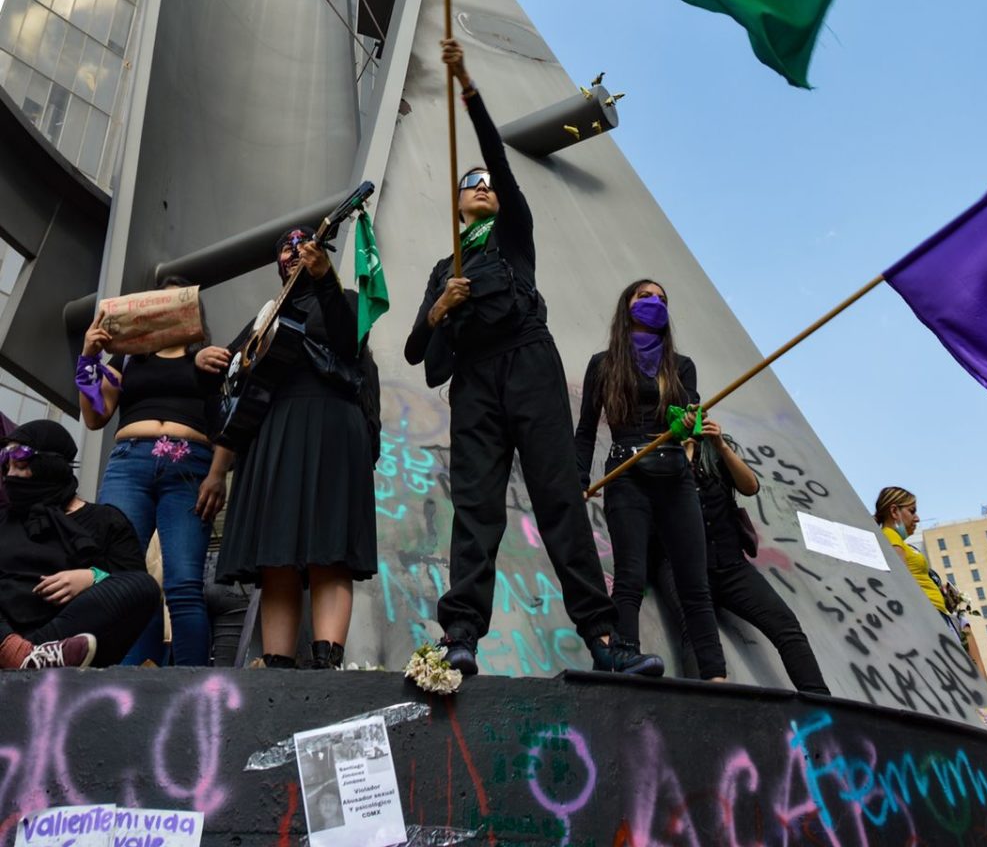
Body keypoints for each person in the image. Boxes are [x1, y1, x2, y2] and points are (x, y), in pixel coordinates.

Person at [404, 39, 660, 678]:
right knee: (476, 507)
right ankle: (460, 636)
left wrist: (470, 91)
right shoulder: (445, 267)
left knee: (558, 499)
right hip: (475, 382)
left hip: (529, 363)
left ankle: (604, 641)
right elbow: (417, 351)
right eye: (473, 185)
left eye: (490, 184)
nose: (485, 187)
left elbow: (498, 160)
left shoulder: (513, 235)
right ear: (458, 203)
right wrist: (440, 310)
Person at [215, 227, 380, 670]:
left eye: (302, 244)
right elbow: (232, 390)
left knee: (329, 551)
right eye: (284, 248)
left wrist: (326, 279)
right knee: (277, 557)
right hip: (273, 434)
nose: (292, 251)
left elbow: (349, 342)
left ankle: (328, 665)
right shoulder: (264, 317)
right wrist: (204, 363)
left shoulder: (342, 299)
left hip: (329, 425)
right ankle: (277, 668)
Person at [574, 280, 727, 682]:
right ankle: (623, 665)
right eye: (645, 296)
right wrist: (577, 479)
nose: (655, 302)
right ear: (627, 306)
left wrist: (688, 422)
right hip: (626, 476)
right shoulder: (603, 364)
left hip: (676, 478)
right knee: (629, 579)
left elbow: (690, 415)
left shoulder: (682, 366)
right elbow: (586, 430)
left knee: (695, 585)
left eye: (662, 298)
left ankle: (716, 677)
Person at [78, 278, 231, 665]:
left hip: (189, 463)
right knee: (124, 577)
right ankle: (135, 677)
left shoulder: (207, 357)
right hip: (130, 462)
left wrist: (217, 474)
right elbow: (95, 416)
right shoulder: (128, 359)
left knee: (183, 583)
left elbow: (229, 422)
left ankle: (192, 683)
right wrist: (88, 358)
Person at [650, 418, 831, 694]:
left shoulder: (717, 452)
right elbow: (671, 498)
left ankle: (819, 699)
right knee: (696, 631)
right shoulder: (659, 453)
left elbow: (750, 486)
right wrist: (684, 449)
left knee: (786, 624)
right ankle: (703, 707)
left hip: (730, 563)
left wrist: (721, 445)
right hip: (681, 566)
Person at [0, 420, 160, 670]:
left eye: (20, 459)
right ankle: (17, 654)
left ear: (50, 462)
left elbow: (132, 584)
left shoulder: (106, 521)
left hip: (71, 643)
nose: (11, 473)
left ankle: (33, 656)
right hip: (4, 638)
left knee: (144, 586)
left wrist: (92, 577)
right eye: (5, 462)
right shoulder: (3, 520)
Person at [874, 486, 950, 622]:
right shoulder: (890, 536)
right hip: (929, 615)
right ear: (894, 511)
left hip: (934, 612)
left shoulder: (897, 541)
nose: (917, 518)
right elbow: (901, 580)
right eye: (912, 511)